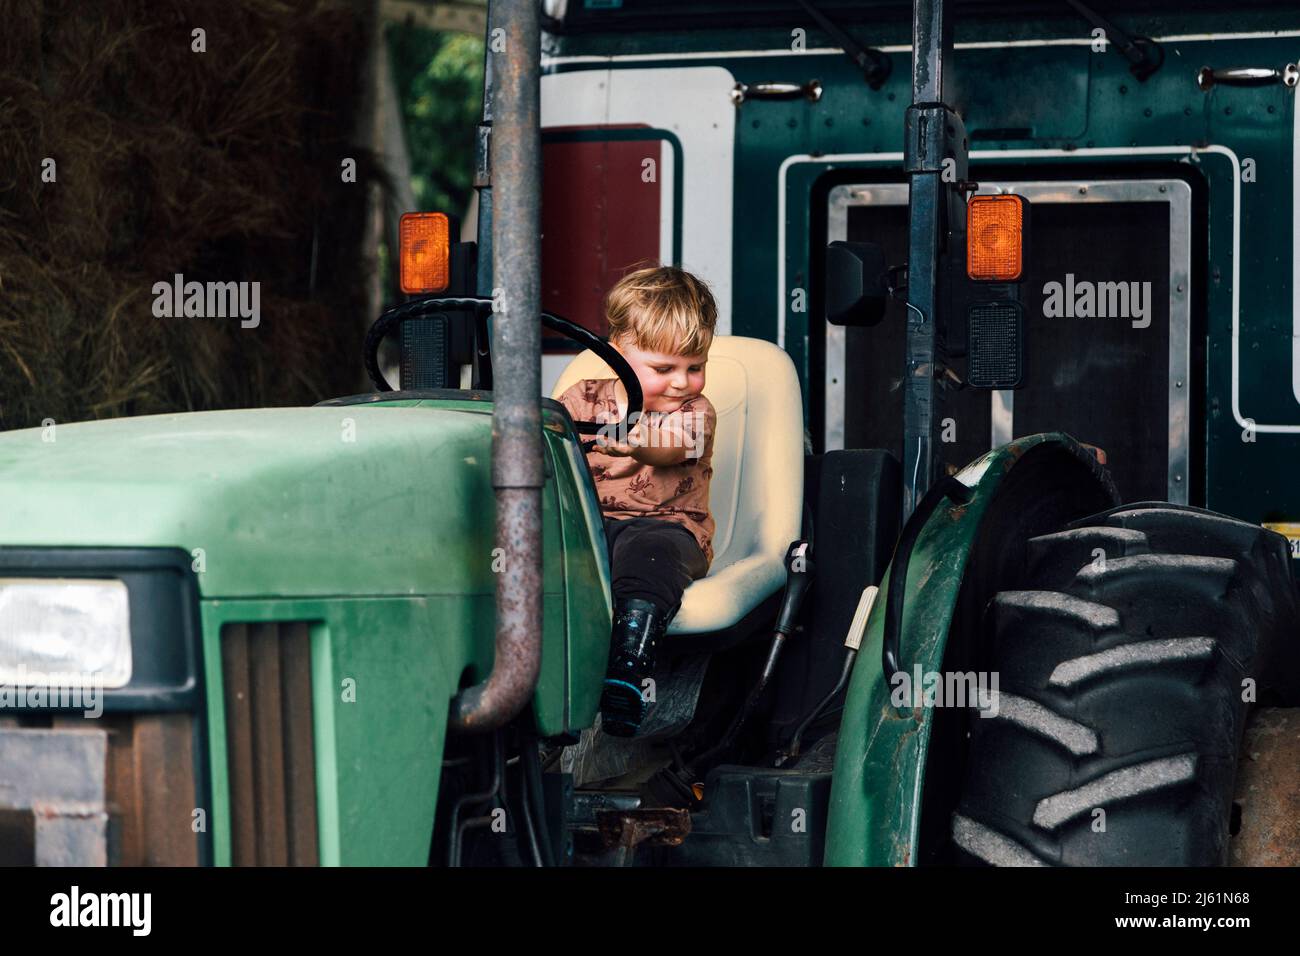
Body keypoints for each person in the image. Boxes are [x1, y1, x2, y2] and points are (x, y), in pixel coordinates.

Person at [557, 265, 718, 737]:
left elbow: (673, 446)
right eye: (664, 369)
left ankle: (628, 669)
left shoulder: (696, 413)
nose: (682, 382)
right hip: (592, 527)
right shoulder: (581, 399)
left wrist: (636, 444)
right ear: (617, 355)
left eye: (696, 366)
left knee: (649, 556)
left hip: (670, 527)